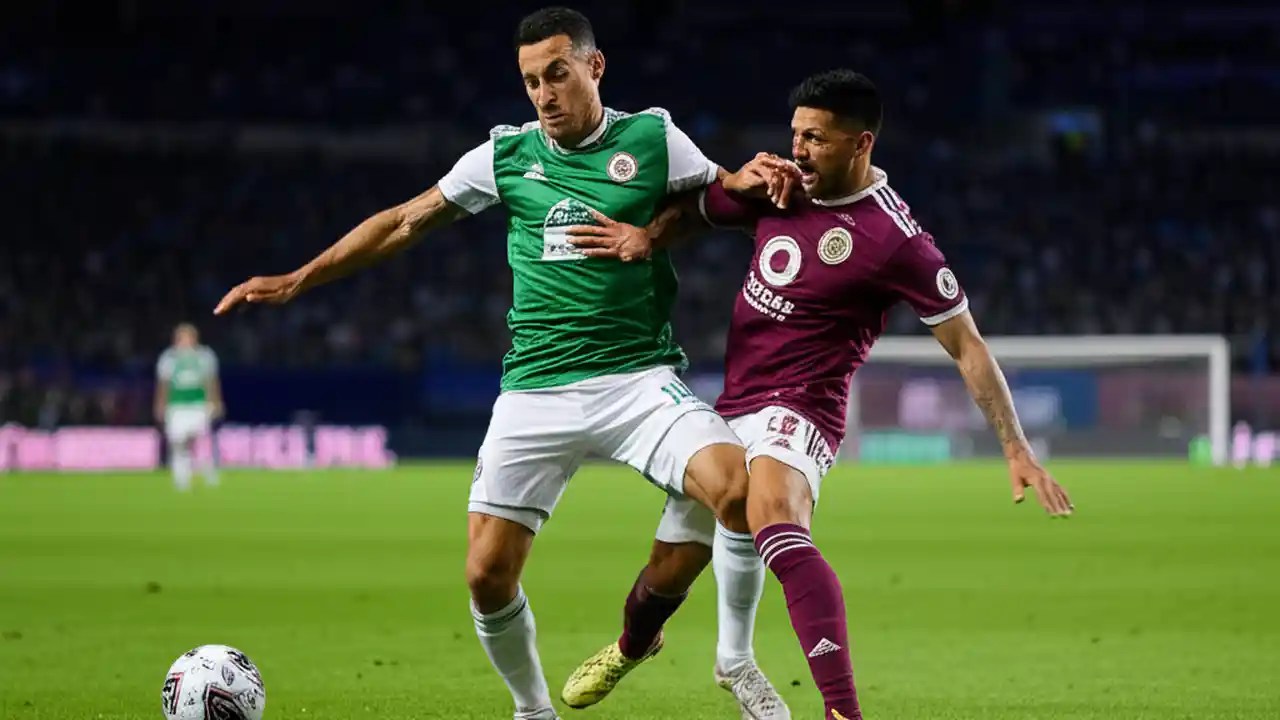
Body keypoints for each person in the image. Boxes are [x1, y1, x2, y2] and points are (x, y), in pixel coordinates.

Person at [213, 7, 789, 719]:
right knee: (486, 575)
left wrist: (669, 223)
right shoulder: (506, 156)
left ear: (593, 66)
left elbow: (713, 201)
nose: (544, 95)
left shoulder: (653, 137)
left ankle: (728, 661)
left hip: (638, 379)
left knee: (737, 488)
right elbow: (403, 220)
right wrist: (298, 280)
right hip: (535, 391)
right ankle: (532, 710)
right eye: (530, 82)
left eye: (557, 74)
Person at [565, 68, 1075, 720]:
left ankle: (841, 710)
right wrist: (650, 235)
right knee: (668, 567)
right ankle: (634, 646)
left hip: (805, 408)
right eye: (796, 134)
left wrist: (1016, 448)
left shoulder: (898, 241)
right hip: (733, 403)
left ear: (861, 144)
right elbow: (701, 211)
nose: (799, 150)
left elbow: (968, 345)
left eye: (816, 140)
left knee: (773, 510)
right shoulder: (779, 187)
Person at [154, 322, 223, 490]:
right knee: (178, 443)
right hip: (177, 407)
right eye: (181, 337)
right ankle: (181, 477)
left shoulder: (204, 356)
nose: (185, 341)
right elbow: (163, 385)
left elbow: (211, 382)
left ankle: (209, 472)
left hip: (198, 406)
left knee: (203, 441)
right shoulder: (168, 358)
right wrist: (160, 405)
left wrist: (216, 401)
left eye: (188, 337)